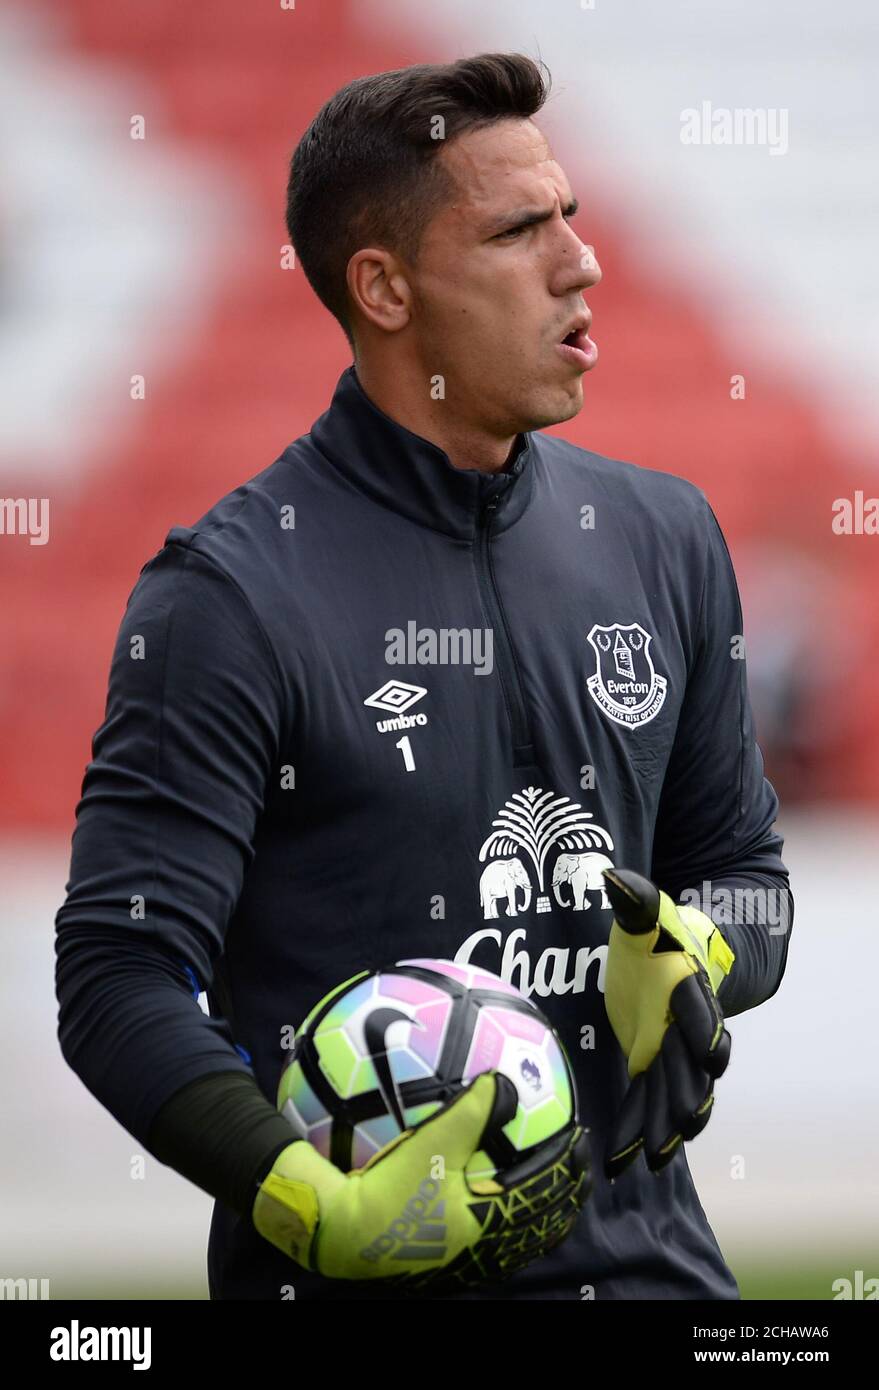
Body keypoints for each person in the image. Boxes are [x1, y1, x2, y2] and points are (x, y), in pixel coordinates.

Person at [55, 51, 793, 1300]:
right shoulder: (229, 597)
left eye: (572, 213)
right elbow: (116, 976)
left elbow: (750, 879)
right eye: (520, 229)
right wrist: (310, 1201)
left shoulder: (666, 538)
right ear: (384, 289)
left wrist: (700, 951)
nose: (582, 260)